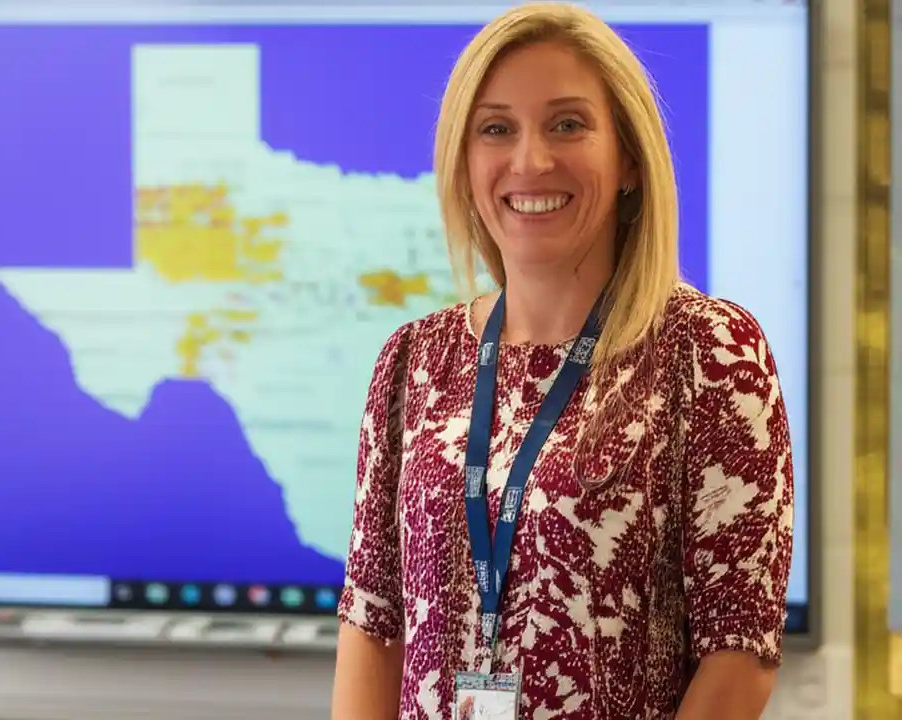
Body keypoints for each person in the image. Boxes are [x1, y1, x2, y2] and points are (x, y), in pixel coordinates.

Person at [329, 3, 794, 719]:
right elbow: (373, 625)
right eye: (496, 129)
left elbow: (740, 653)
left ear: (630, 158)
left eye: (568, 124)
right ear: (464, 161)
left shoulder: (712, 354)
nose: (531, 160)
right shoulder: (412, 361)